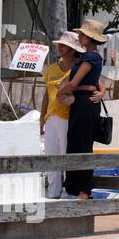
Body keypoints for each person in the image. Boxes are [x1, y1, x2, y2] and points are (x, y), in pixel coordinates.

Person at [59, 25, 105, 199]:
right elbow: (99, 82)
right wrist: (103, 91)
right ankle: (73, 188)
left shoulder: (91, 58)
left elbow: (75, 82)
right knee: (75, 143)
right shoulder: (86, 57)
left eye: (82, 35)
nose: (79, 37)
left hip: (86, 103)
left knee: (83, 144)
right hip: (80, 102)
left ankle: (84, 190)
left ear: (89, 38)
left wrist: (60, 92)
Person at [40, 33, 80, 198]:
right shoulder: (51, 69)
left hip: (68, 117)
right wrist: (42, 118)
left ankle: (67, 190)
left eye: (63, 46)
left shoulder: (77, 69)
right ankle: (53, 191)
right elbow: (46, 95)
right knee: (51, 154)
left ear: (71, 49)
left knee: (66, 154)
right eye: (59, 45)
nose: (59, 48)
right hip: (51, 117)